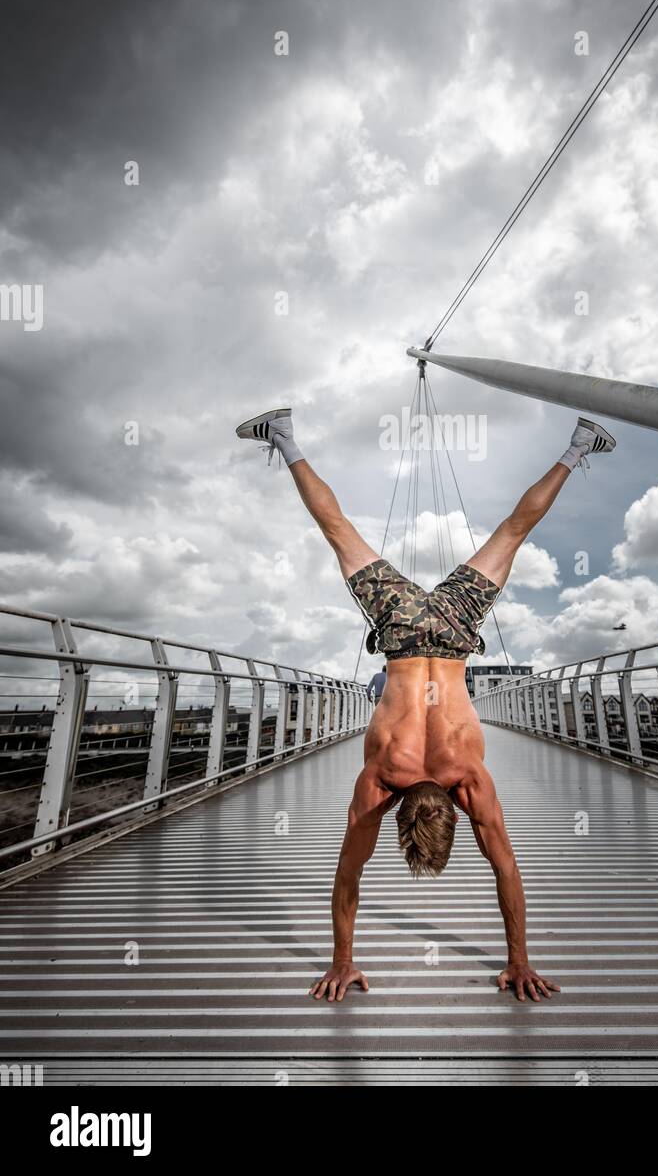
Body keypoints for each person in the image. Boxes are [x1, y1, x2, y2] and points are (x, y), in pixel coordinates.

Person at [236, 403, 615, 1002]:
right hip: (403, 631)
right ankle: (283, 438)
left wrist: (520, 960)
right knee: (339, 530)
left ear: (454, 812)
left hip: (454, 631)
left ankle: (579, 443)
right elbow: (347, 880)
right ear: (402, 812)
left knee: (512, 532)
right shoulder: (381, 781)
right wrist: (342, 961)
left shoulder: (467, 779)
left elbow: (506, 871)